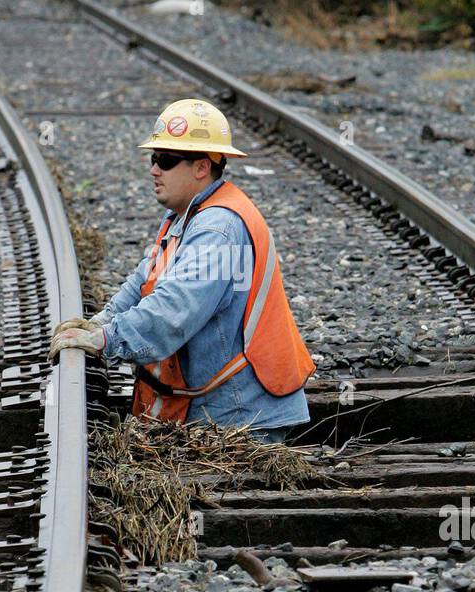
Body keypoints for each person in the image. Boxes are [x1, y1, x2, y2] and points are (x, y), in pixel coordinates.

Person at [50, 98, 314, 443]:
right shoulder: (186, 215)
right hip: (221, 409)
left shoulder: (217, 230)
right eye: (153, 158)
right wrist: (102, 320)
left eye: (166, 160)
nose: (154, 169)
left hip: (242, 417)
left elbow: (173, 311)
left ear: (202, 167)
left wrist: (106, 340)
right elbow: (146, 279)